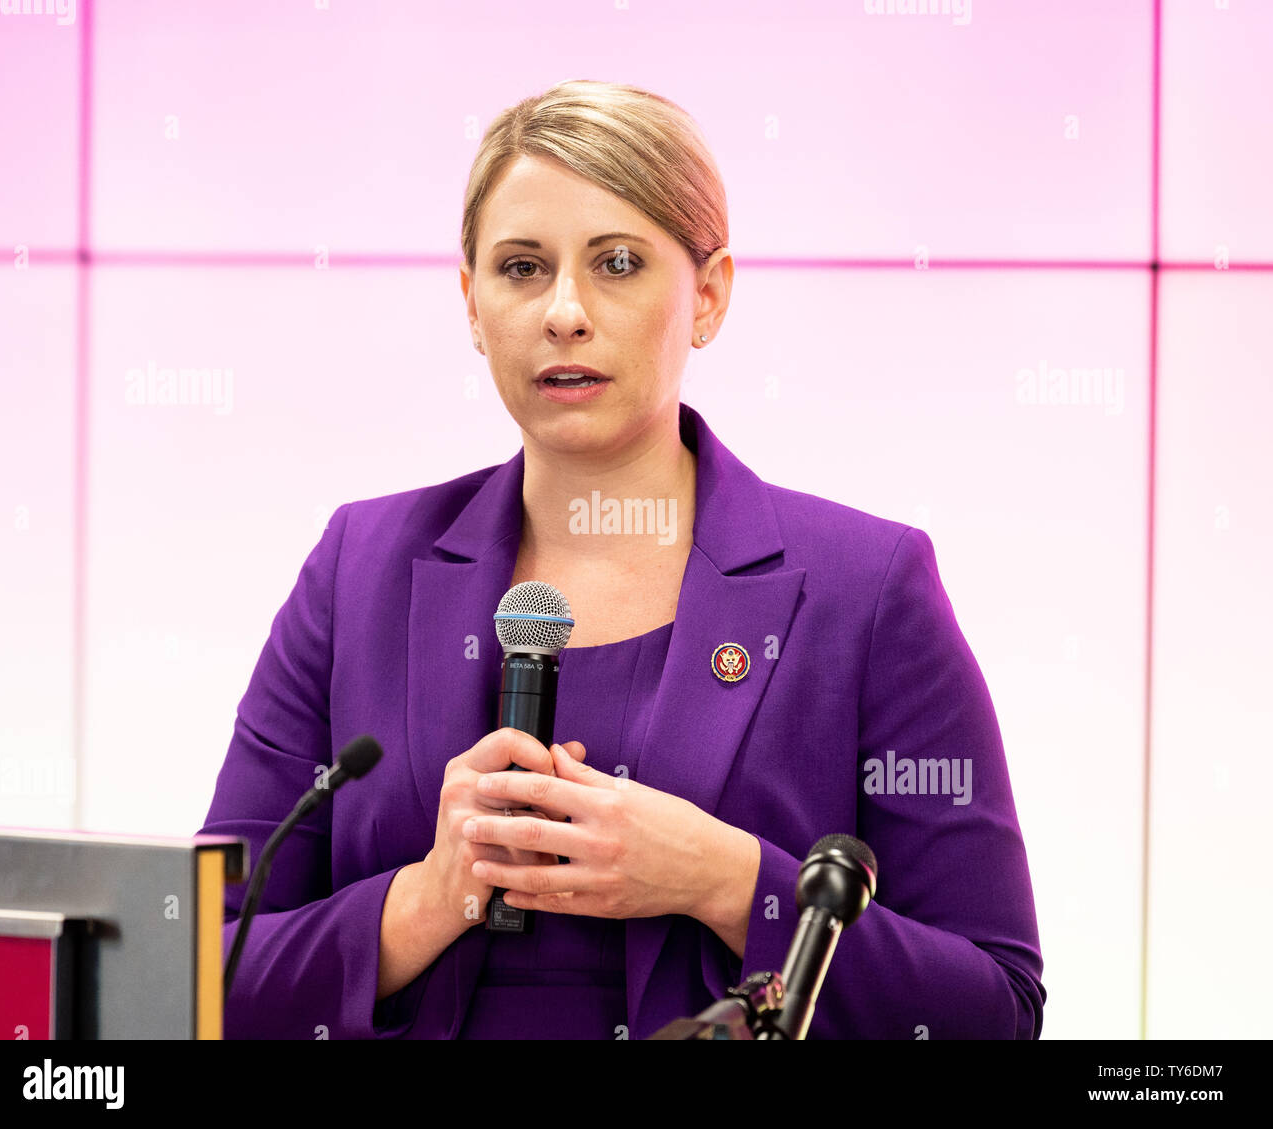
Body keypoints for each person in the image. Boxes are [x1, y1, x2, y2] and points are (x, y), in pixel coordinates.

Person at [198, 79, 1045, 1040]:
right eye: (522, 267)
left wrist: (724, 879)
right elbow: (199, 969)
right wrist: (432, 896)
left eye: (617, 262)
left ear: (709, 295)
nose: (564, 312)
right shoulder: (359, 571)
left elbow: (995, 1010)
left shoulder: (866, 587)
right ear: (471, 303)